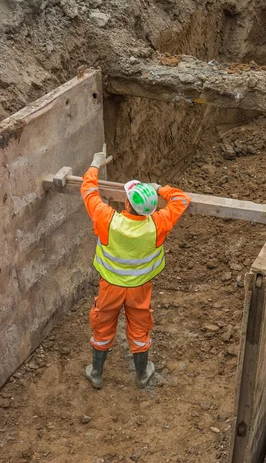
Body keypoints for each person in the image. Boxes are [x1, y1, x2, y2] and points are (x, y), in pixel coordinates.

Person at [80, 144, 190, 389]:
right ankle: (141, 375)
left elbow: (88, 191)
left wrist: (95, 165)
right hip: (140, 288)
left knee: (103, 324)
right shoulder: (158, 223)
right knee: (140, 327)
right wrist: (160, 188)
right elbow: (182, 199)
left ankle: (96, 373)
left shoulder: (108, 219)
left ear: (127, 204)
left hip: (110, 287)